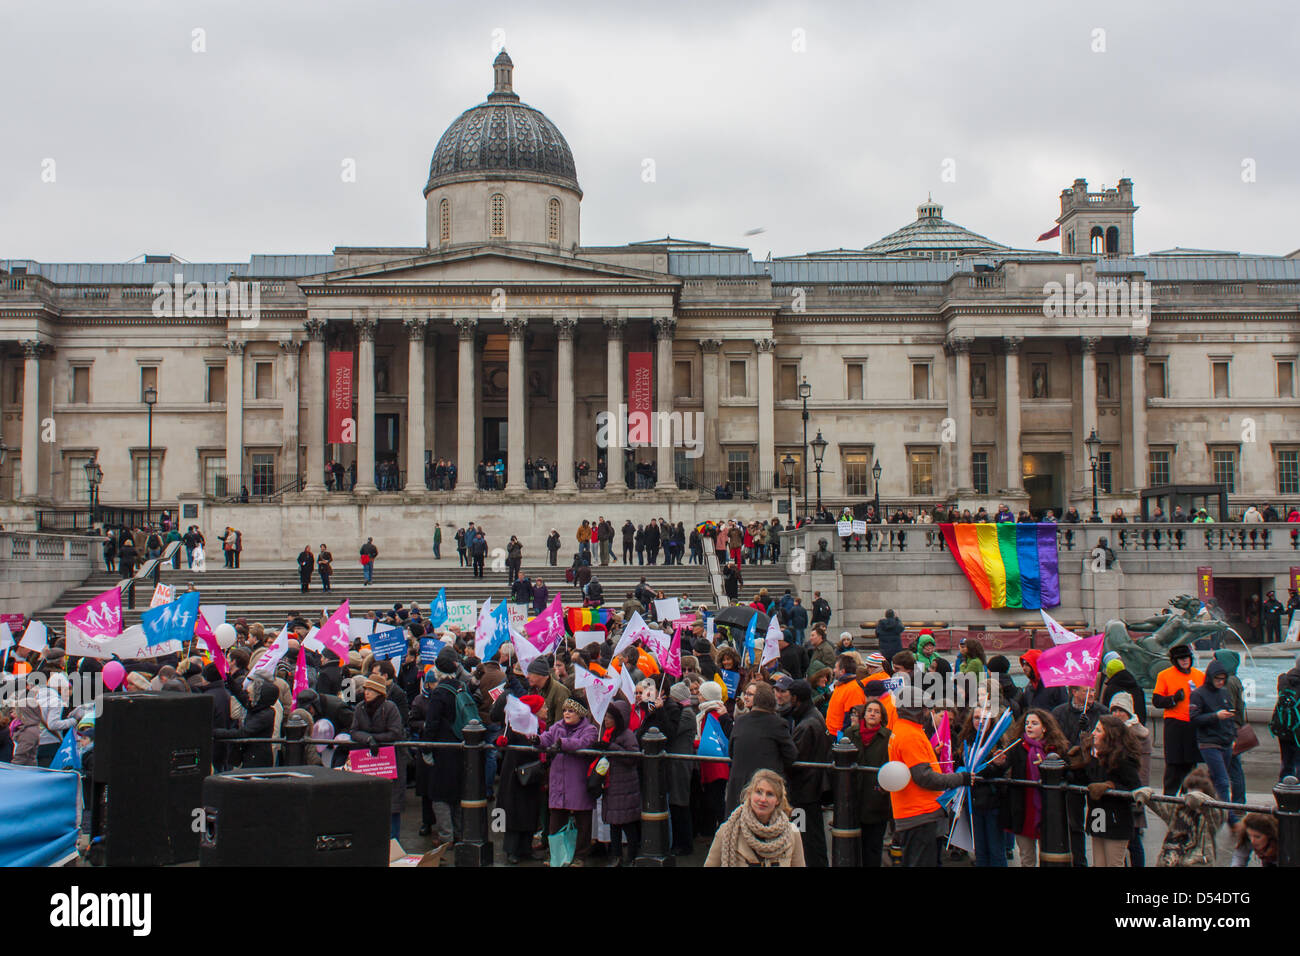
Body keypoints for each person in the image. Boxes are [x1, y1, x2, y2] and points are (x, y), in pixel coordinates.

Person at [886, 684, 971, 866]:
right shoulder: (911, 735)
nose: (929, 712)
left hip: (913, 812)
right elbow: (924, 777)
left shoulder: (903, 729)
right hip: (919, 813)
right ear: (915, 709)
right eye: (925, 708)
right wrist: (961, 779)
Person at [984, 708, 1069, 867]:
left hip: (1049, 811)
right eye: (1027, 723)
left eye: (1034, 723)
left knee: (1049, 856)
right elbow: (999, 769)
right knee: (1026, 858)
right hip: (1023, 810)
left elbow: (1068, 773)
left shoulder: (1056, 748)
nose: (1029, 726)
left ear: (1044, 727)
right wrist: (997, 762)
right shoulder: (1017, 746)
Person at [1071, 714, 1142, 867]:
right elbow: (1086, 782)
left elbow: (1135, 789)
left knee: (1114, 863)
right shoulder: (1093, 756)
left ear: (1109, 735)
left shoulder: (1123, 759)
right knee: (1099, 863)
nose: (1093, 733)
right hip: (1098, 814)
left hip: (1117, 819)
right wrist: (1077, 765)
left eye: (1098, 730)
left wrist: (1111, 786)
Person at [704, 769, 806, 867]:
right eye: (758, 792)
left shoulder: (792, 833)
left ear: (778, 800)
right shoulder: (726, 831)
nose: (763, 799)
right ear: (749, 794)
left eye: (770, 794)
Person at [539, 698, 598, 865]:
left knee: (583, 821)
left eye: (571, 711)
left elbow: (583, 743)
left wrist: (562, 743)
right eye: (565, 710)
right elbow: (547, 738)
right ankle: (556, 855)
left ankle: (580, 856)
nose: (566, 713)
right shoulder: (557, 727)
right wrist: (537, 740)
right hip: (559, 781)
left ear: (579, 713)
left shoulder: (590, 729)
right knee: (556, 820)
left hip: (577, 782)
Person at [725, 682, 797, 815]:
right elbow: (791, 755)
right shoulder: (778, 724)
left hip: (739, 788)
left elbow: (731, 752)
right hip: (765, 791)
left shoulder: (740, 721)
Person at [1133, 767, 1225, 867]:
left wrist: (1199, 799)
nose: (1189, 797)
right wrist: (1146, 794)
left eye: (1195, 793)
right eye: (1188, 792)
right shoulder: (1178, 808)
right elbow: (1159, 805)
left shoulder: (1211, 816)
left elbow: (1216, 812)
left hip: (1196, 863)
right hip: (1170, 861)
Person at [1188, 658, 1240, 825]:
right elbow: (1194, 719)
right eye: (1217, 679)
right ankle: (1229, 817)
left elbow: (1231, 717)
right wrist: (1215, 716)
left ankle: (1204, 808)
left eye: (1223, 679)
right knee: (1223, 780)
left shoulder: (1224, 692)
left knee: (1214, 778)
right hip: (1208, 742)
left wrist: (1233, 736)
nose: (1220, 682)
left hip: (1225, 741)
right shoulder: (1198, 694)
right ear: (1210, 677)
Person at [844, 697, 892, 865]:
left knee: (873, 847)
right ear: (864, 714)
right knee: (853, 847)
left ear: (882, 716)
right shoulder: (851, 733)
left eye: (877, 712)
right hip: (854, 798)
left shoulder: (887, 737)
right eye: (870, 711)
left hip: (876, 800)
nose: (872, 714)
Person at [593, 699, 641, 866]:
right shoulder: (608, 733)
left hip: (625, 786)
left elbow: (632, 758)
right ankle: (616, 856)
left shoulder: (627, 735)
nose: (605, 720)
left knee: (627, 825)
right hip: (612, 785)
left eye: (609, 717)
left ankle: (632, 856)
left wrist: (611, 747)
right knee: (614, 824)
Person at [1152, 645, 1205, 794]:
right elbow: (1157, 701)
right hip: (1174, 724)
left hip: (1193, 724)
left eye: (1186, 658)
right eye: (1181, 659)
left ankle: (1188, 794)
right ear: (1175, 661)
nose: (1184, 661)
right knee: (1174, 763)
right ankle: (1169, 796)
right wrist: (1173, 699)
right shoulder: (1164, 675)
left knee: (1191, 762)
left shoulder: (1199, 675)